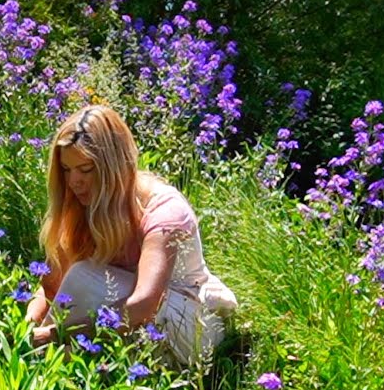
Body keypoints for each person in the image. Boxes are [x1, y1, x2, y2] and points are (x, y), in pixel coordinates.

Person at [24, 104, 238, 364]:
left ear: (113, 166)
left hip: (188, 326)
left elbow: (144, 305)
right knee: (79, 282)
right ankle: (48, 365)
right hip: (128, 319)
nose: (73, 182)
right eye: (67, 170)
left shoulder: (165, 211)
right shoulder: (82, 205)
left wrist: (56, 334)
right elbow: (51, 287)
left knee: (83, 278)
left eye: (86, 169)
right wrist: (28, 327)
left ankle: (50, 366)